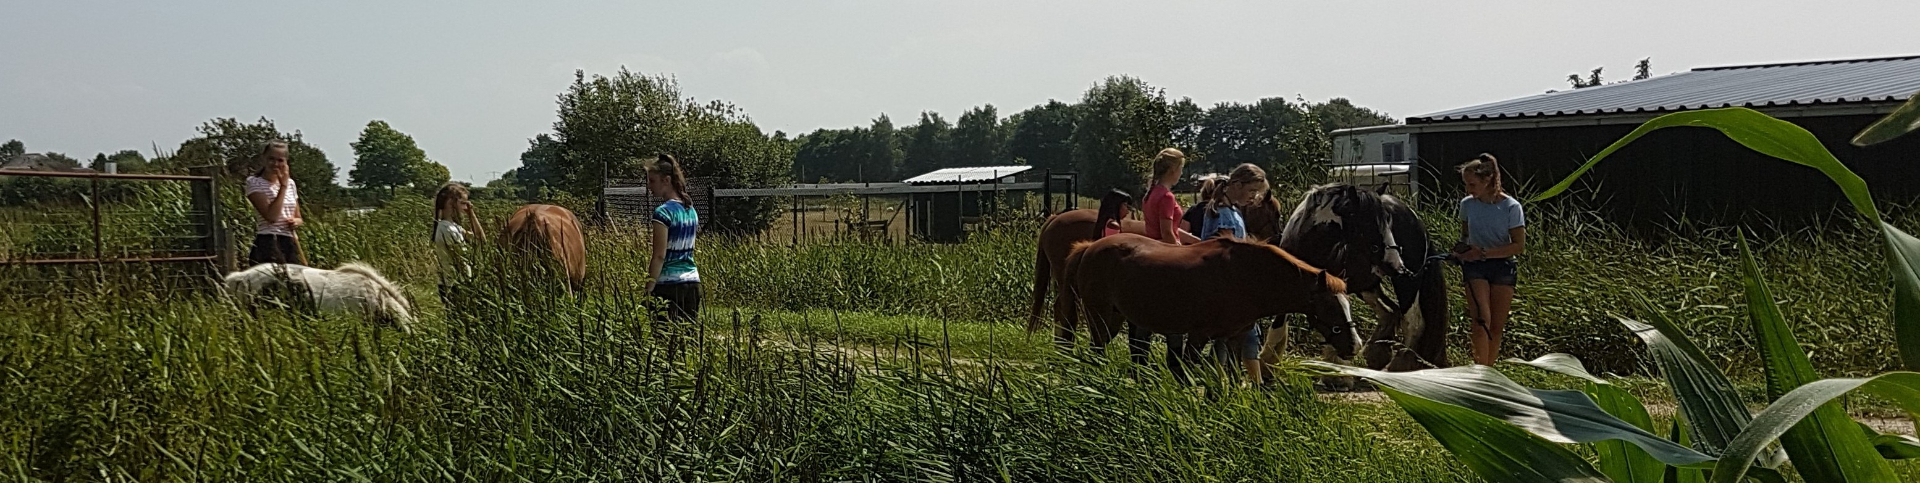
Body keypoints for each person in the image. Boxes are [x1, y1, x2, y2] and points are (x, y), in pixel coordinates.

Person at [1453, 153, 1527, 366]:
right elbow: (1465, 235)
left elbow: (1518, 246)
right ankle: (1479, 369)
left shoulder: (1511, 207)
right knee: (1481, 320)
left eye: (1472, 184)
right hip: (1475, 266)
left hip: (1502, 266)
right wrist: (1461, 249)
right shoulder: (1467, 205)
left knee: (1496, 325)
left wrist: (1484, 252)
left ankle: (1489, 369)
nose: (1468, 189)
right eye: (1466, 184)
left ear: (1487, 180)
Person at [1199, 163, 1270, 382]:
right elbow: (1226, 253)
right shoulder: (1223, 213)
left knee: (1245, 335)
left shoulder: (1232, 210)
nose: (1253, 196)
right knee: (1232, 335)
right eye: (1251, 190)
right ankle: (1224, 382)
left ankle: (1242, 381)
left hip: (1235, 283)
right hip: (1227, 285)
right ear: (1237, 185)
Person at [645, 154, 702, 323]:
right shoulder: (690, 209)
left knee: (663, 336)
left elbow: (659, 256)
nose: (649, 186)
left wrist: (648, 289)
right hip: (692, 283)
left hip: (668, 287)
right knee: (688, 336)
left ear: (666, 180)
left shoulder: (663, 213)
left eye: (652, 181)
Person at [244, 141, 305, 265]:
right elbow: (271, 217)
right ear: (264, 158)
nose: (276, 164)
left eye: (280, 160)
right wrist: (283, 187)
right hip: (268, 241)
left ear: (286, 162)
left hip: (289, 241)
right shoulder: (254, 182)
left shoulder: (291, 184)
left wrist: (296, 222)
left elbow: (298, 217)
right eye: (271, 159)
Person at [432, 182, 484, 302]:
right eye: (463, 203)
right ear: (451, 203)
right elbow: (460, 259)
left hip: (457, 283)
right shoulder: (447, 229)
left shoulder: (454, 227)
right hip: (454, 285)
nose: (465, 207)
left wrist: (471, 214)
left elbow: (480, 239)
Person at [1142, 148, 1201, 245]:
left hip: (1153, 246)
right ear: (1173, 170)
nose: (1181, 173)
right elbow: (1167, 234)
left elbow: (1172, 229)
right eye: (1181, 168)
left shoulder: (1151, 193)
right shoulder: (1166, 197)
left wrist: (1197, 241)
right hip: (1165, 250)